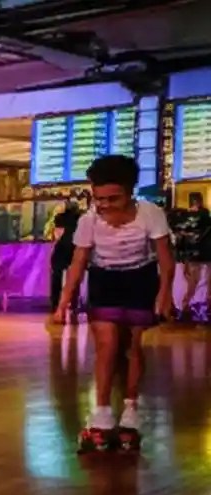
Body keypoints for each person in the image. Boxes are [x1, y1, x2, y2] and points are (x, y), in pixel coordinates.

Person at [56, 155, 174, 451]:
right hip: (104, 279)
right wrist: (64, 301)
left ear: (130, 191)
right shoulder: (88, 220)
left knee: (132, 347)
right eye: (99, 199)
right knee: (107, 345)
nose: (106, 205)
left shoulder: (150, 214)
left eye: (114, 198)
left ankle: (131, 409)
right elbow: (78, 262)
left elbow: (165, 259)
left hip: (140, 278)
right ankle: (102, 413)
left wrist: (164, 294)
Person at [176, 192, 210, 318]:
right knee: (202, 281)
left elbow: (180, 236)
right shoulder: (205, 215)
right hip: (204, 253)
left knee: (191, 281)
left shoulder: (185, 217)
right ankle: (197, 307)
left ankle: (185, 307)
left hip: (191, 254)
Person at [48, 199, 82, 323]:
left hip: (61, 250)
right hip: (75, 249)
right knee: (74, 278)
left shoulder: (59, 218)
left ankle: (55, 304)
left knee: (56, 278)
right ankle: (74, 304)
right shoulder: (81, 219)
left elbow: (57, 235)